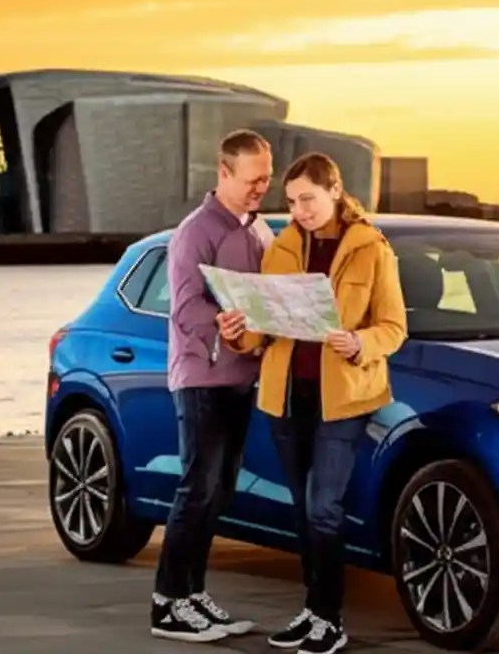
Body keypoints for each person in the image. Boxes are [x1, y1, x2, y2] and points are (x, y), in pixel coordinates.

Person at [219, 152, 407, 654]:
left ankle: (330, 619)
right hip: (286, 398)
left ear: (335, 191)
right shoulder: (282, 247)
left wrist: (360, 342)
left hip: (342, 400)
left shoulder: (371, 249)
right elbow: (261, 332)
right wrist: (237, 331)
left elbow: (393, 327)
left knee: (324, 507)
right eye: (291, 202)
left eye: (308, 199)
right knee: (303, 509)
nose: (299, 211)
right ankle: (313, 609)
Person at [150, 129, 275, 643]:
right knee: (198, 488)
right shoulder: (195, 232)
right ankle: (167, 604)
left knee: (220, 489)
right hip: (202, 377)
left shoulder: (258, 228)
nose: (260, 188)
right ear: (224, 173)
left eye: (266, 179)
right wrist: (221, 319)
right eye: (252, 179)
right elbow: (184, 307)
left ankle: (193, 592)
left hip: (242, 376)